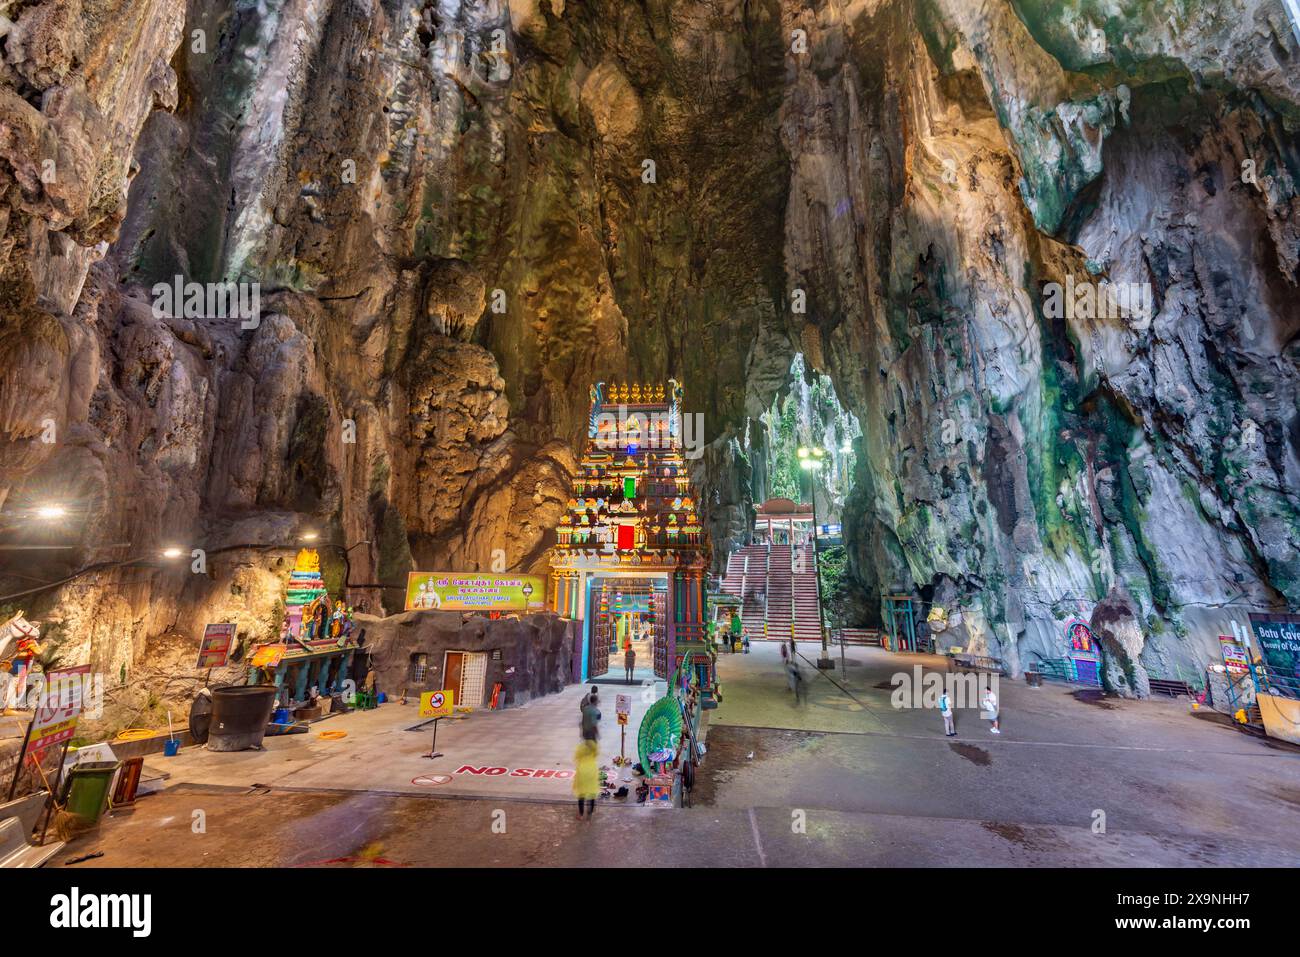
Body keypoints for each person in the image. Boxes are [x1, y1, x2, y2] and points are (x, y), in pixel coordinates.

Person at [573, 738, 599, 820]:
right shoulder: (593, 746)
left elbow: (576, 757)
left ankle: (581, 814)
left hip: (582, 771)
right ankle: (590, 811)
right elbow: (596, 753)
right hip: (592, 769)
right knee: (592, 791)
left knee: (581, 793)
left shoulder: (580, 747)